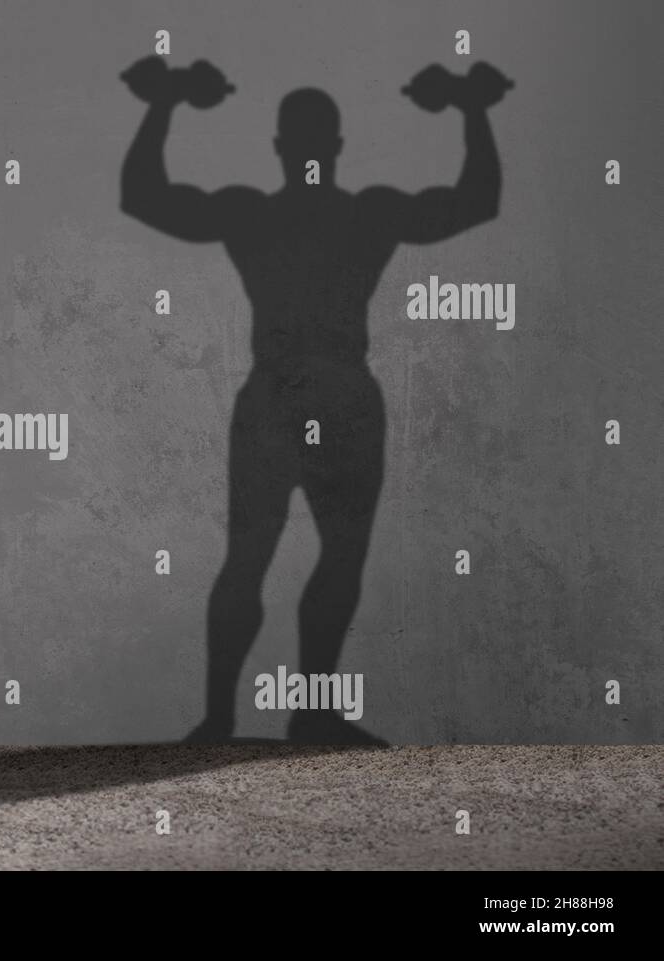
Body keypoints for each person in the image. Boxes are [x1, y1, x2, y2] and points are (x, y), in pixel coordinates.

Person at [120, 60, 507, 742]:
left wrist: (166, 102)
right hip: (332, 391)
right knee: (326, 555)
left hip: (286, 391)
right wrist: (470, 109)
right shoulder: (368, 212)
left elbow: (145, 195)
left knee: (263, 555)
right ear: (332, 148)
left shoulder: (255, 213)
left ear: (282, 147)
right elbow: (475, 198)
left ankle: (237, 716)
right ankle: (295, 710)